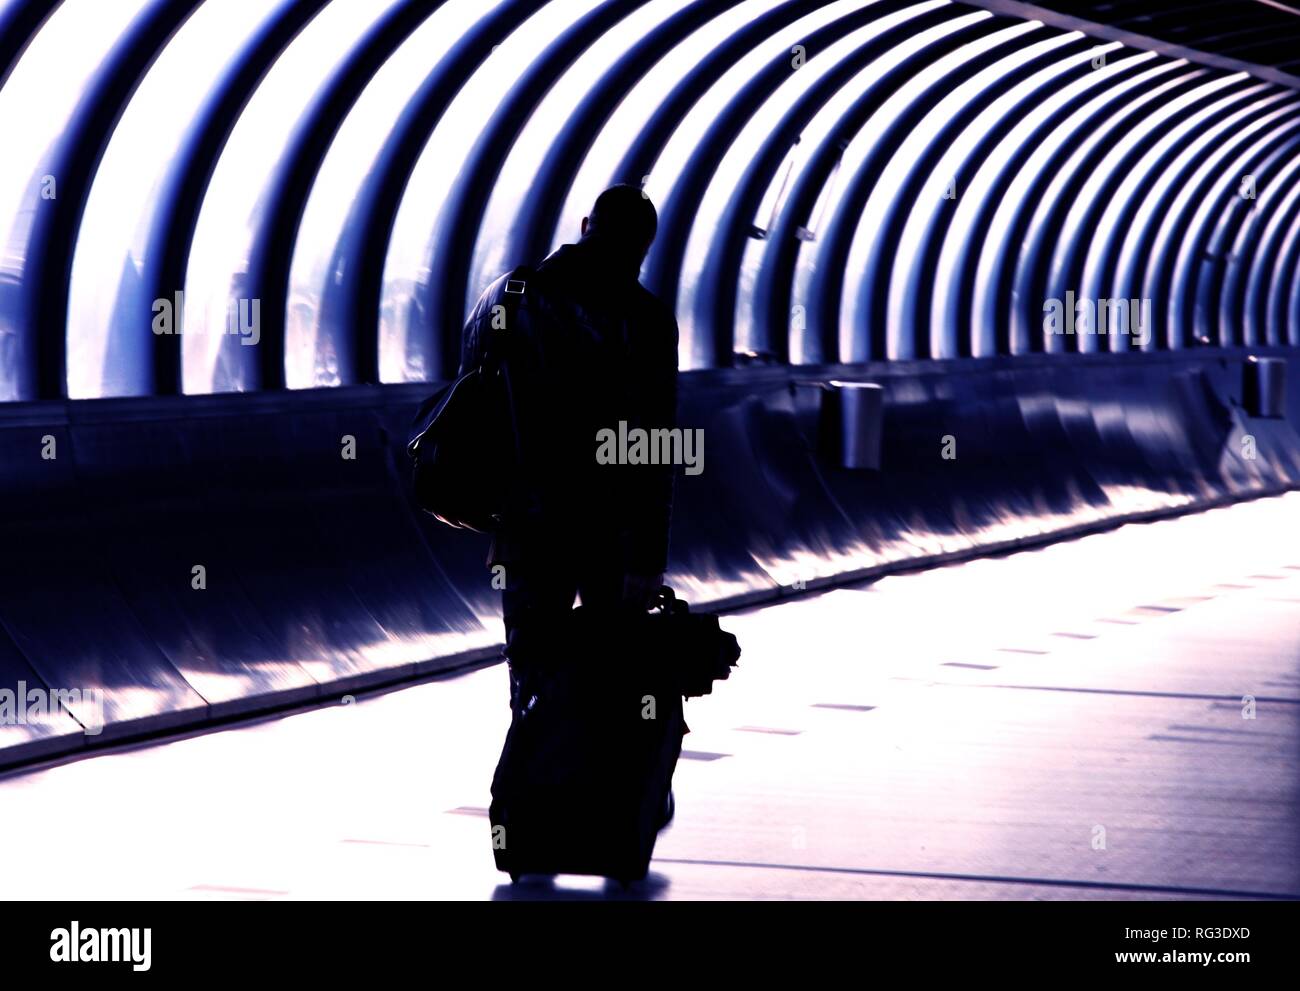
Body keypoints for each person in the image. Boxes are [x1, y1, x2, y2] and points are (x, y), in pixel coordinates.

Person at [457, 184, 680, 717]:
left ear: (585, 227)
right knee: (612, 676)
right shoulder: (646, 319)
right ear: (645, 245)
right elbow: (654, 447)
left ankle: (529, 760)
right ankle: (596, 764)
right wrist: (649, 558)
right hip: (611, 530)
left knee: (531, 670)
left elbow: (467, 403)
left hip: (525, 524)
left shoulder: (507, 296)